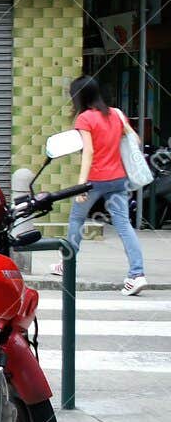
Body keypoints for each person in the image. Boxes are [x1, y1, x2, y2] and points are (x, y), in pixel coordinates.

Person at [64, 75, 148, 296]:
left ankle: (67, 264)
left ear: (80, 96)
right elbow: (136, 142)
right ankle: (137, 274)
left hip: (94, 180)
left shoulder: (85, 118)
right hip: (119, 179)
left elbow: (89, 152)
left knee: (76, 219)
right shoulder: (117, 114)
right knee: (124, 225)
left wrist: (81, 186)